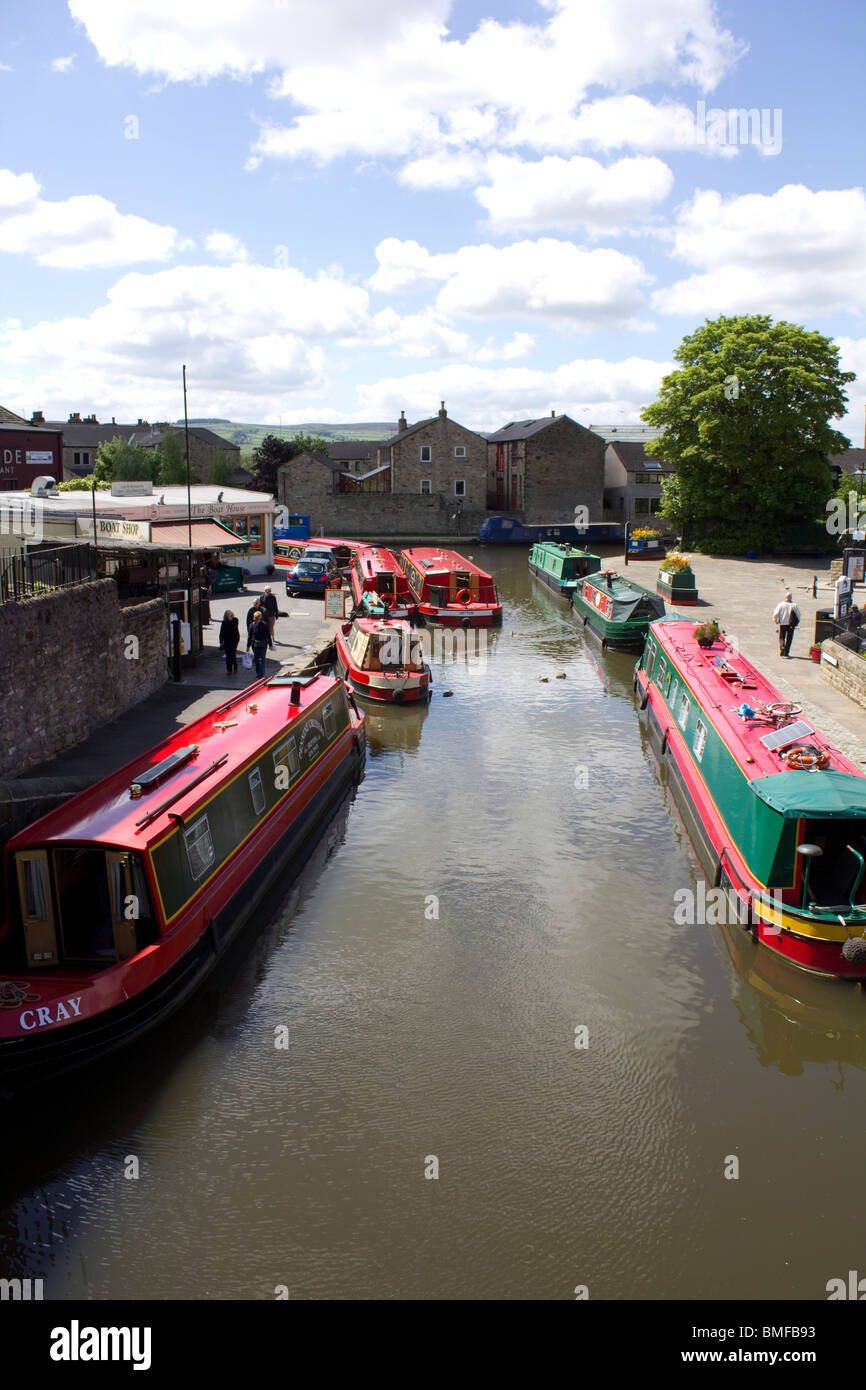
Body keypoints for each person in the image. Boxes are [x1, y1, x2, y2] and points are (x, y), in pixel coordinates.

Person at [773, 590, 801, 657]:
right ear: (791, 597)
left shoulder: (781, 604)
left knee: (782, 637)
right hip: (791, 624)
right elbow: (799, 615)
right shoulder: (794, 605)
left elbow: (775, 614)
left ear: (785, 597)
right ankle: (786, 652)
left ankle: (782, 647)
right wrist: (797, 622)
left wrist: (775, 621)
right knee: (789, 638)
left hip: (783, 623)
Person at [247, 608, 273, 677]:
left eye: (259, 619)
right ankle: (258, 672)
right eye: (256, 619)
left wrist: (270, 645)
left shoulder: (264, 625)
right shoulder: (252, 625)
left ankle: (261, 674)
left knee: (262, 659)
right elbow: (249, 636)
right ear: (254, 618)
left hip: (263, 645)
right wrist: (248, 646)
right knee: (257, 659)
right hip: (255, 645)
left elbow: (268, 635)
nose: (258, 620)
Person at [219, 609, 240, 675]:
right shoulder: (224, 622)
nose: (229, 615)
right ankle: (229, 669)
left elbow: (234, 626)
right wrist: (221, 641)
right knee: (228, 655)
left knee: (233, 654)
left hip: (234, 640)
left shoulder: (235, 620)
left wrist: (231, 619)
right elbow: (221, 632)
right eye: (228, 614)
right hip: (227, 641)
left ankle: (235, 666)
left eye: (230, 614)